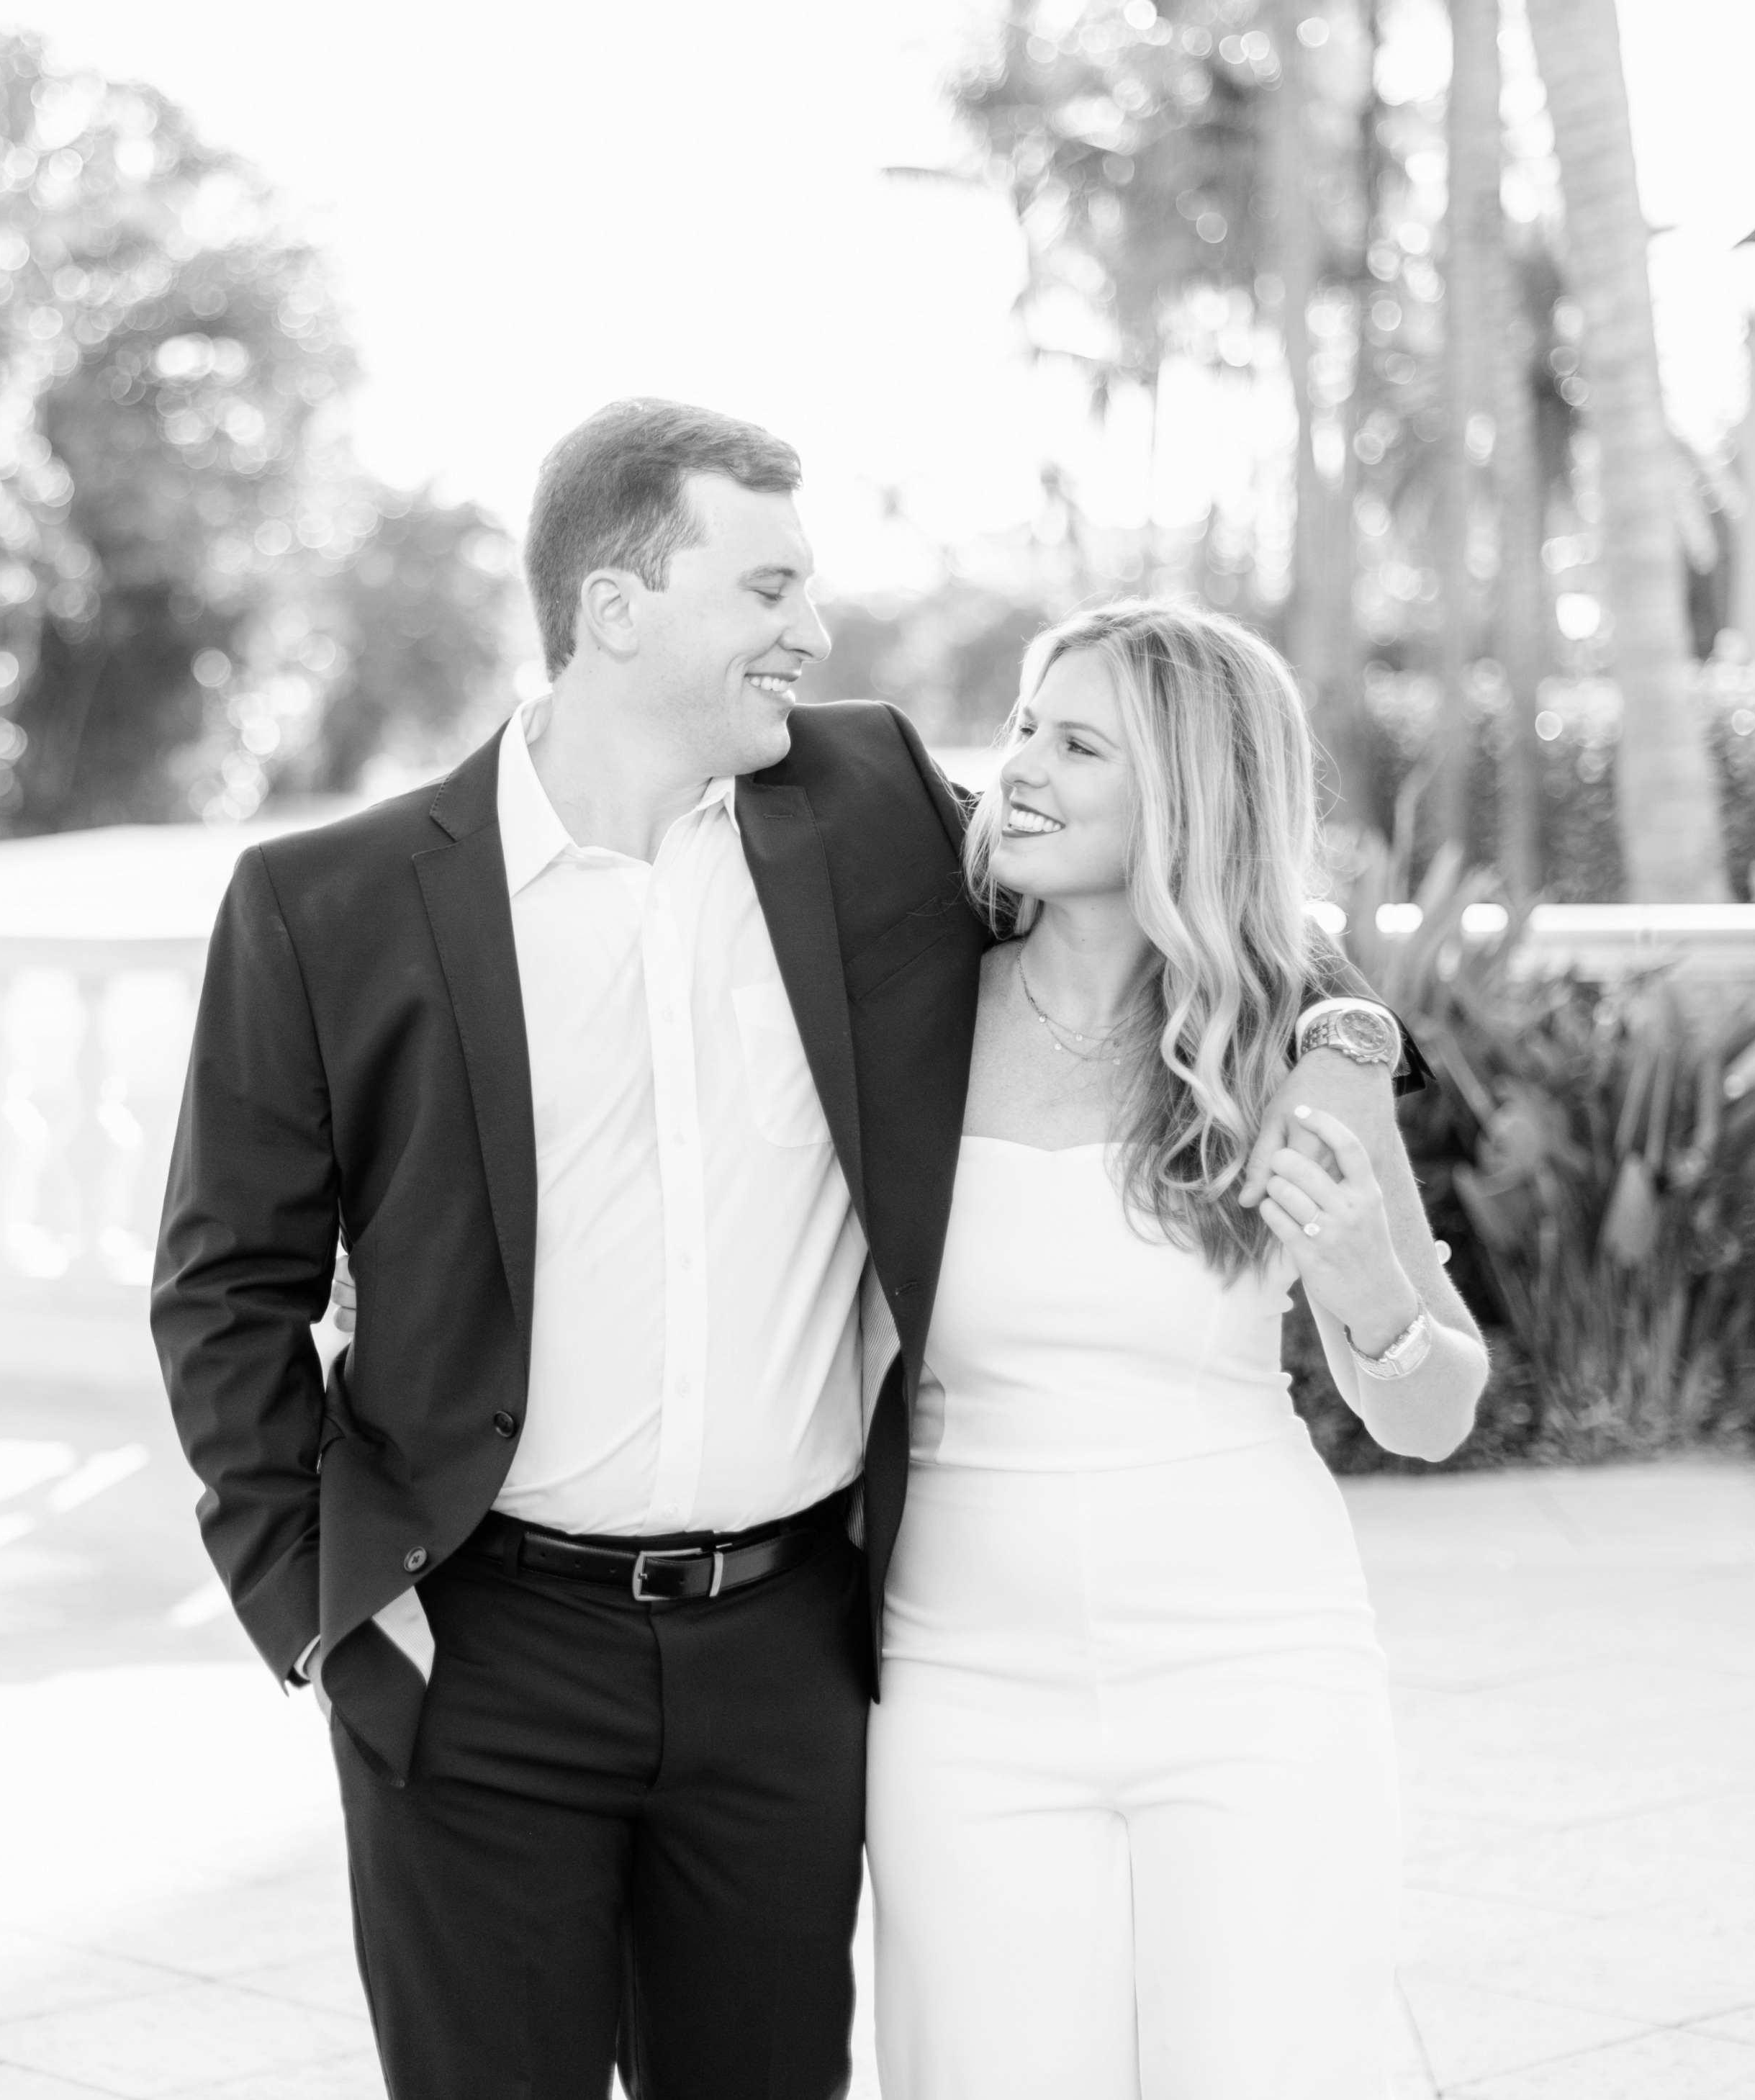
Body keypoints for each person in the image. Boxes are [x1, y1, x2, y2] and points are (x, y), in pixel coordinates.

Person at [152, 401, 1406, 2099]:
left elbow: (1181, 857)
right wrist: (324, 1608)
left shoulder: (869, 805)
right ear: (616, 609)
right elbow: (224, 1289)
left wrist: (1342, 1029)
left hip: (783, 1662)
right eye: (768, 588)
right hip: (478, 1649)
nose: (812, 630)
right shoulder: (330, 903)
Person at [866, 600, 1485, 2098]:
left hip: (1253, 1673)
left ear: (1191, 794)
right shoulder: (903, 1024)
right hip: (957, 1683)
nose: (1019, 767)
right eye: (1024, 725)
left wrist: (1363, 1276)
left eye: (1078, 745)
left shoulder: (1294, 1046)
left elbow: (1434, 1410)